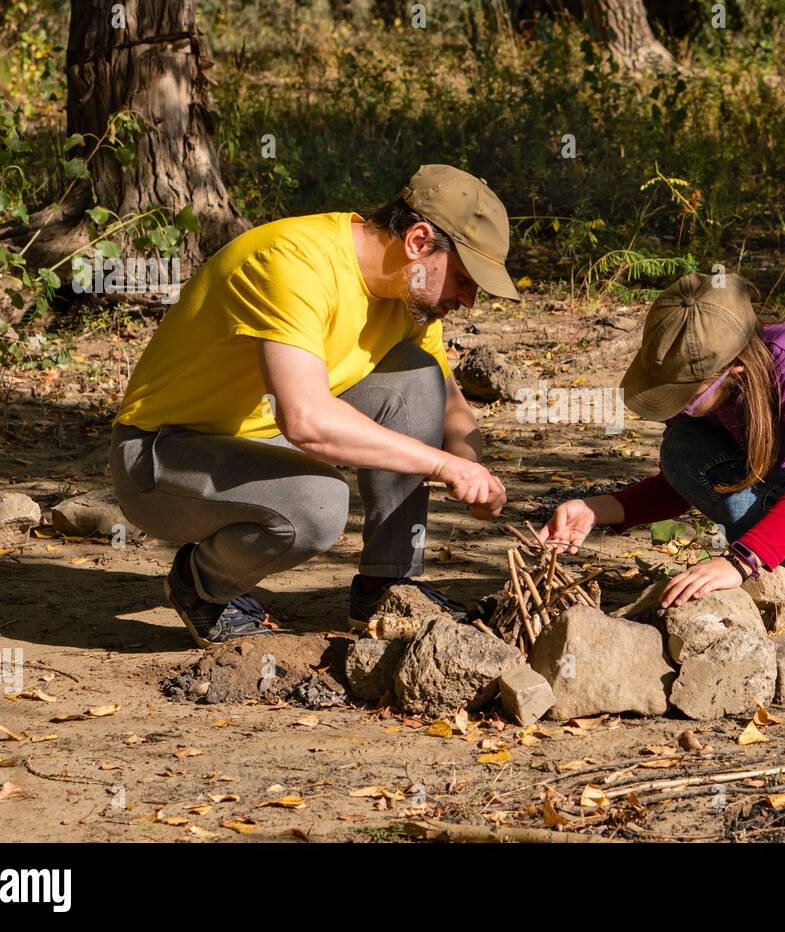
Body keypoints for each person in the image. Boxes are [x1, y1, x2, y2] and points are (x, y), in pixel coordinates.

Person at [110, 164, 515, 648]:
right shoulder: (292, 263)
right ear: (419, 241)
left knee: (416, 375)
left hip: (265, 442)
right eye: (466, 279)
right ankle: (199, 586)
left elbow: (448, 404)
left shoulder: (407, 294)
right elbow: (305, 421)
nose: (468, 300)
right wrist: (441, 464)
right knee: (319, 505)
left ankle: (387, 589)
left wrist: (473, 472)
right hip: (161, 456)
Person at [536, 271, 785, 657]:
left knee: (768, 502)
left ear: (734, 369)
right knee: (684, 447)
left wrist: (742, 561)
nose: (678, 405)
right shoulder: (710, 393)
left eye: (686, 394)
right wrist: (596, 508)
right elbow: (683, 481)